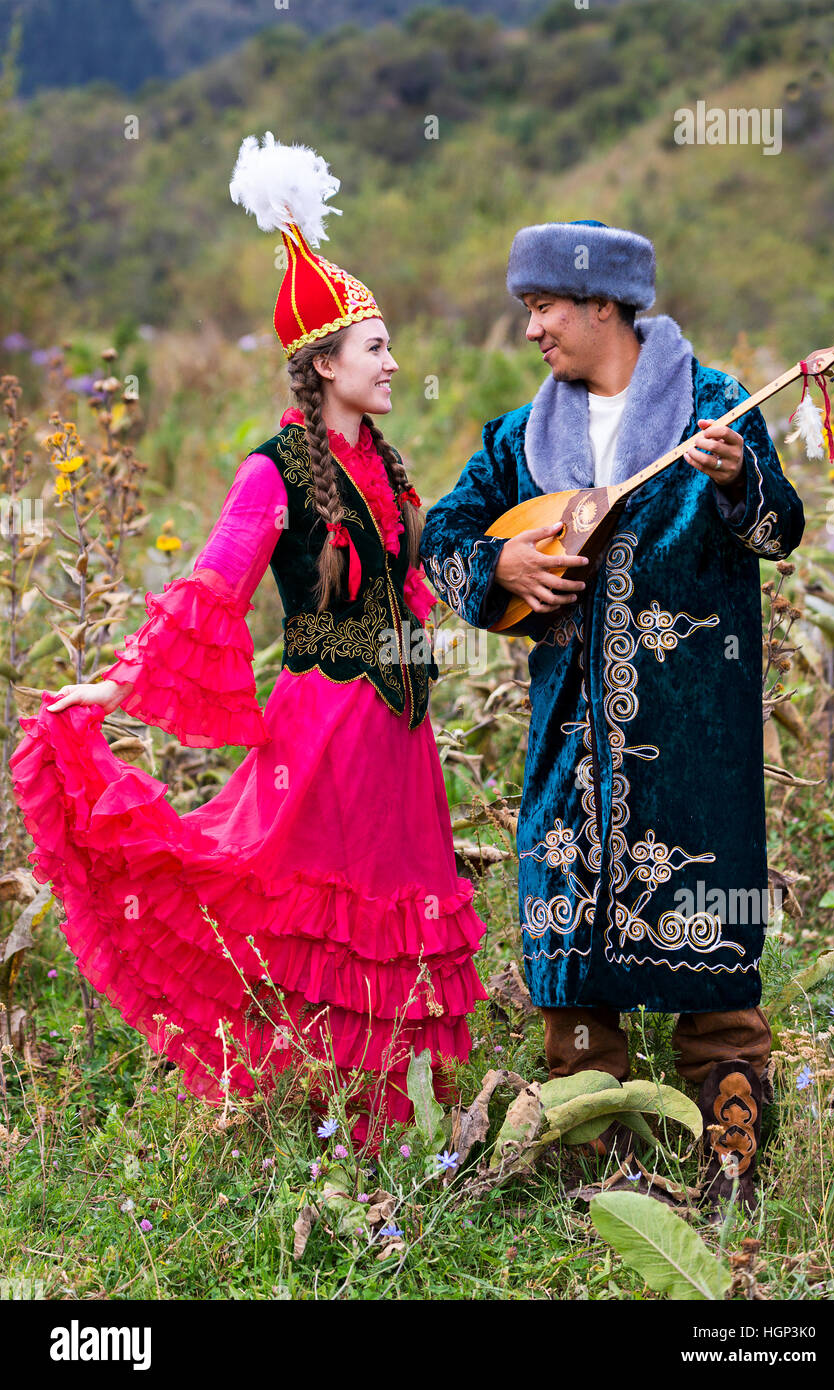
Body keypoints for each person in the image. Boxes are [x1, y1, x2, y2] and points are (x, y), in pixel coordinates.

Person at [10, 133, 487, 1149]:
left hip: (400, 736)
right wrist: (115, 686)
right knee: (310, 910)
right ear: (322, 366)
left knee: (393, 906)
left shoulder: (392, 473)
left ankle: (384, 1126)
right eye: (376, 348)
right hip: (321, 729)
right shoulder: (269, 472)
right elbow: (213, 587)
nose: (395, 362)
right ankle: (322, 1112)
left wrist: (526, 551)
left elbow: (420, 587)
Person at [419, 218, 805, 1210]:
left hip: (694, 748)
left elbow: (779, 528)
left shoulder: (716, 408)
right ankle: (591, 1170)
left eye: (545, 306)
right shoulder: (517, 438)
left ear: (603, 306)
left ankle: (732, 1175)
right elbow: (447, 536)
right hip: (568, 747)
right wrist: (501, 562)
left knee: (712, 967)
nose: (533, 328)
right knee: (572, 968)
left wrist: (736, 481)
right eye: (527, 309)